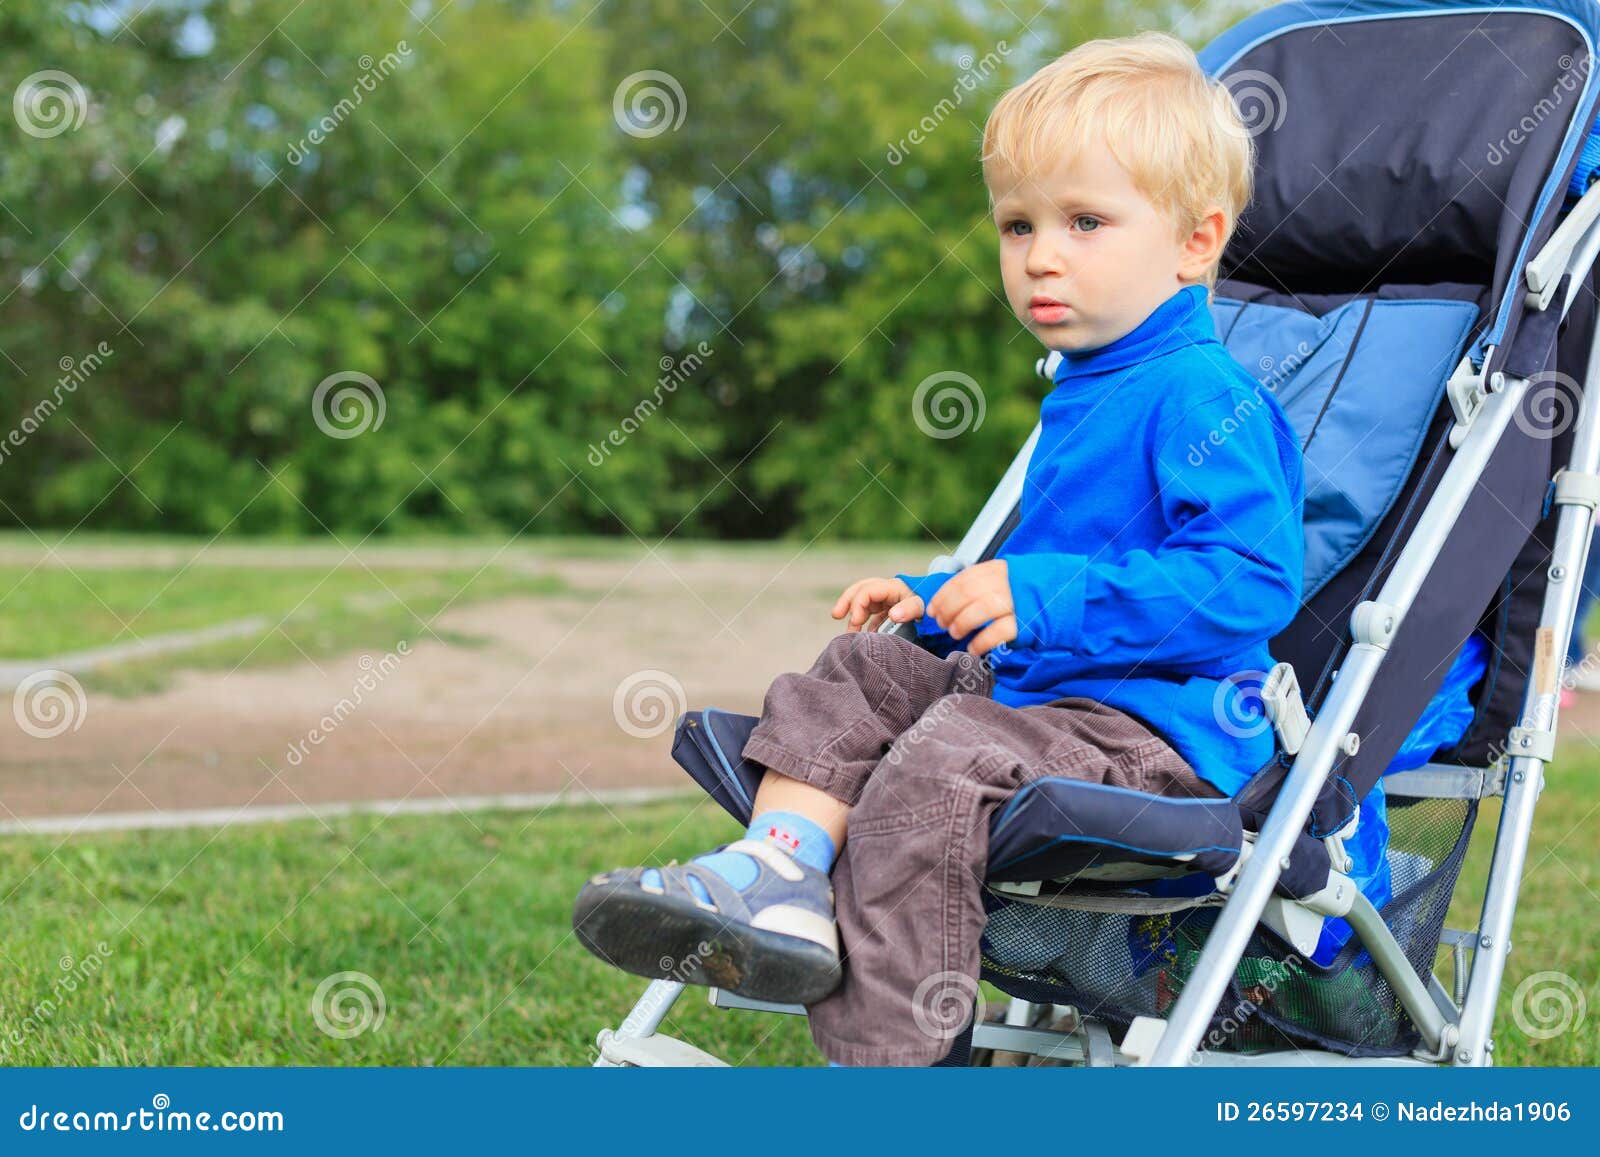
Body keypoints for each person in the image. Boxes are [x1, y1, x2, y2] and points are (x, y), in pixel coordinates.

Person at [572, 30, 1306, 1066]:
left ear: (1193, 244)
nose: (1040, 254)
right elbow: (1041, 568)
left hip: (1158, 730)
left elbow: (1253, 580)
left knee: (943, 756)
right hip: (1044, 696)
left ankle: (894, 1068)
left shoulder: (1201, 395)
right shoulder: (1087, 387)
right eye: (1017, 225)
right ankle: (779, 870)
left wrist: (1045, 597)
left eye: (1084, 221)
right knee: (864, 668)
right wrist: (934, 595)